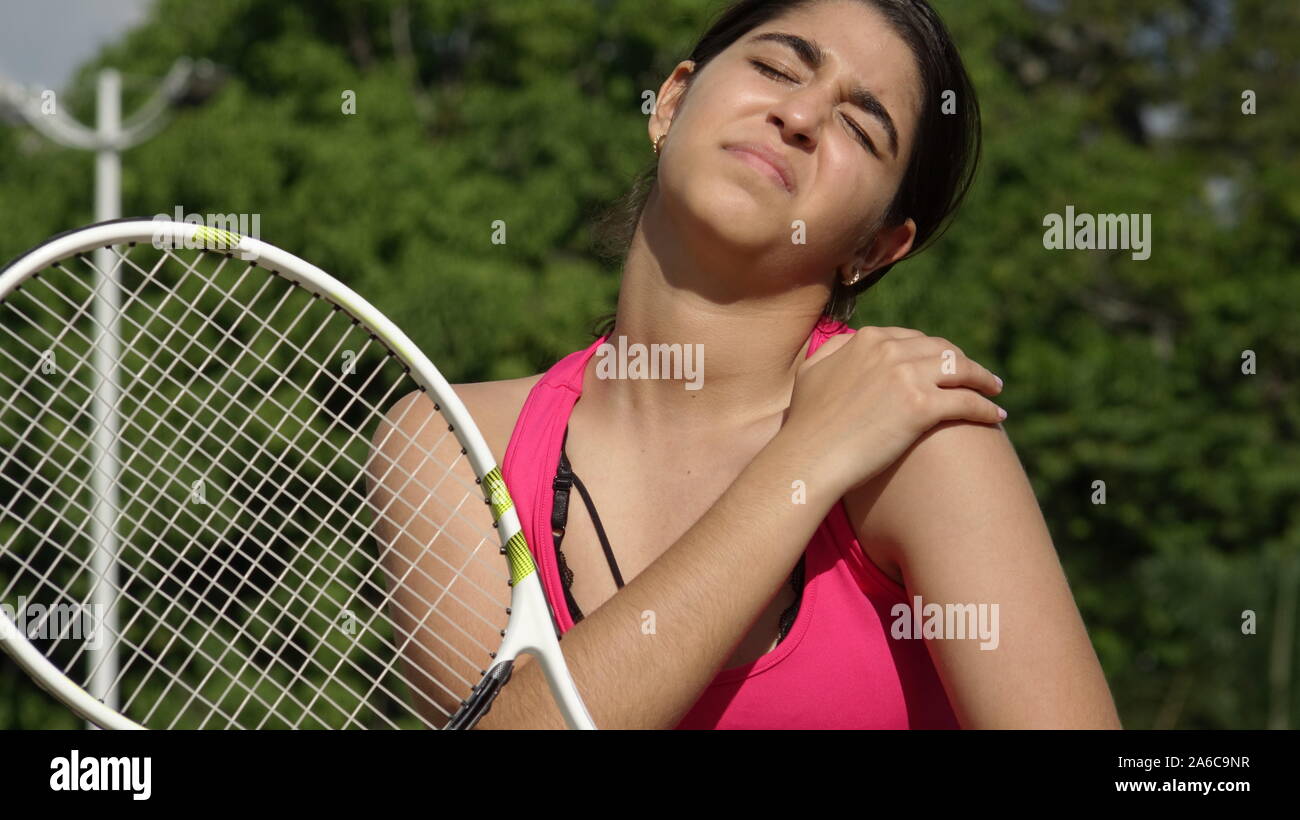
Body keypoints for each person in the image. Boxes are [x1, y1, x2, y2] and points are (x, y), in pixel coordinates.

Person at [380, 0, 1122, 729]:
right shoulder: (450, 442)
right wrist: (805, 460)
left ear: (874, 250)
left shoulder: (923, 440)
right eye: (774, 67)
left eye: (860, 130)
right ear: (670, 102)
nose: (799, 118)